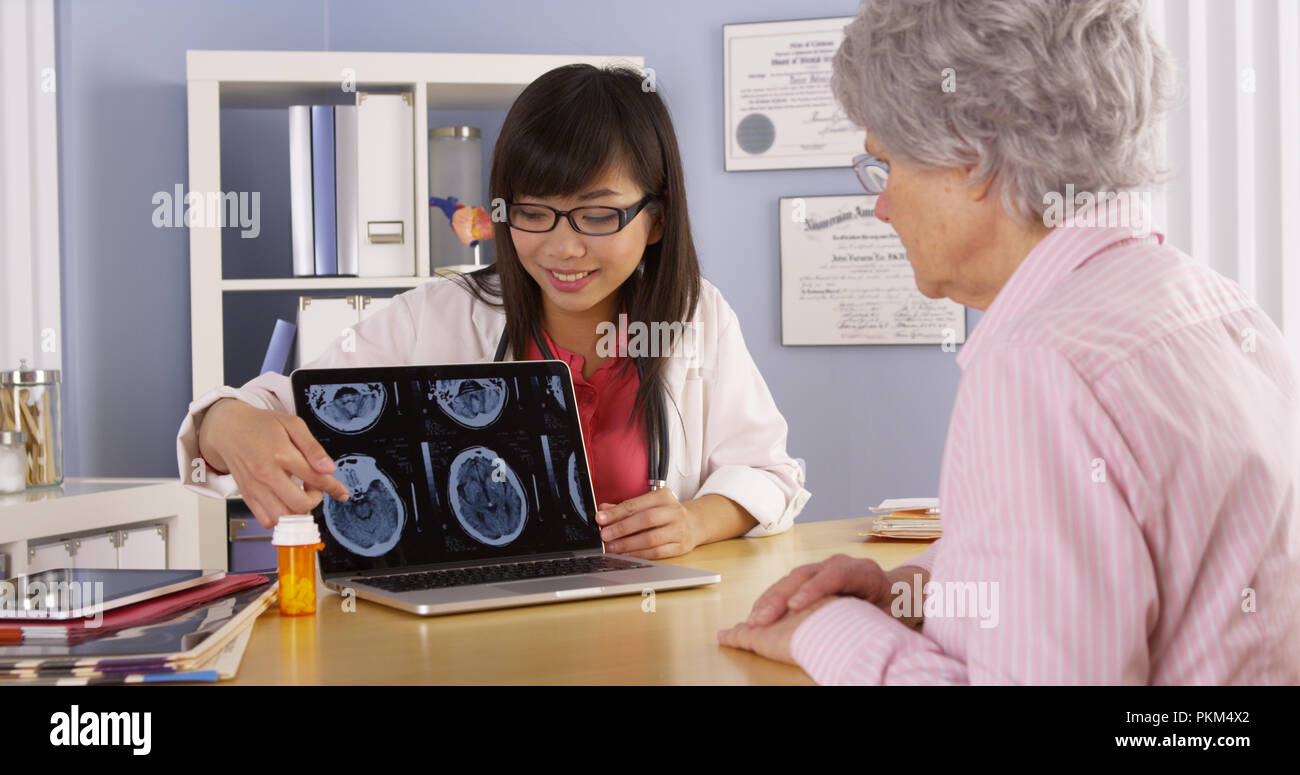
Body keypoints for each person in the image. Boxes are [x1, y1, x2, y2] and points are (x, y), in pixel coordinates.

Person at [720, 0, 1300, 683]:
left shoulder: (1039, 369)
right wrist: (911, 589)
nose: (881, 204)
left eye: (886, 166)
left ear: (969, 156)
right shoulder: (1222, 310)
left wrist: (831, 630)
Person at [176, 64, 810, 560]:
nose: (563, 247)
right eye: (532, 213)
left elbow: (768, 472)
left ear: (656, 218)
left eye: (596, 215)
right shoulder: (438, 316)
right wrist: (226, 423)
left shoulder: (694, 317)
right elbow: (281, 409)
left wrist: (696, 522)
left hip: (652, 632)